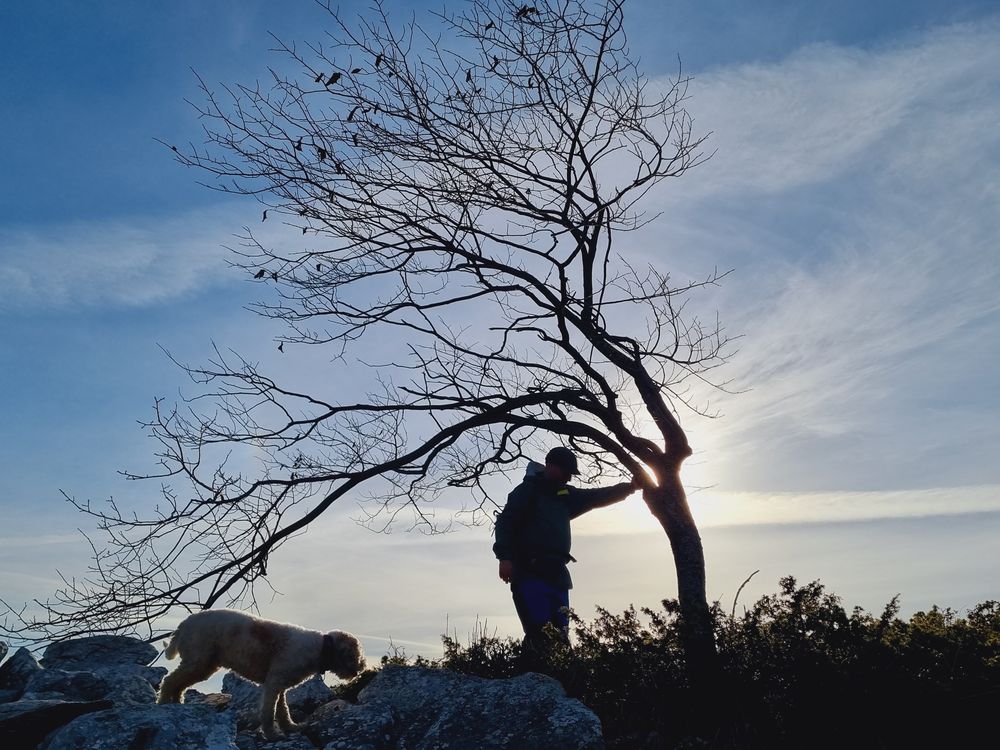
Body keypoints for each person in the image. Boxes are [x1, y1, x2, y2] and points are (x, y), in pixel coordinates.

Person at [493, 446, 640, 663]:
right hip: (529, 572)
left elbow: (596, 496)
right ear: (550, 466)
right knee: (538, 632)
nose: (569, 477)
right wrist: (504, 557)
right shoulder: (526, 492)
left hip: (558, 575)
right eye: (566, 471)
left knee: (560, 636)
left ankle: (562, 683)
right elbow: (505, 523)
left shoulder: (564, 495)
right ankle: (530, 683)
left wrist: (630, 488)